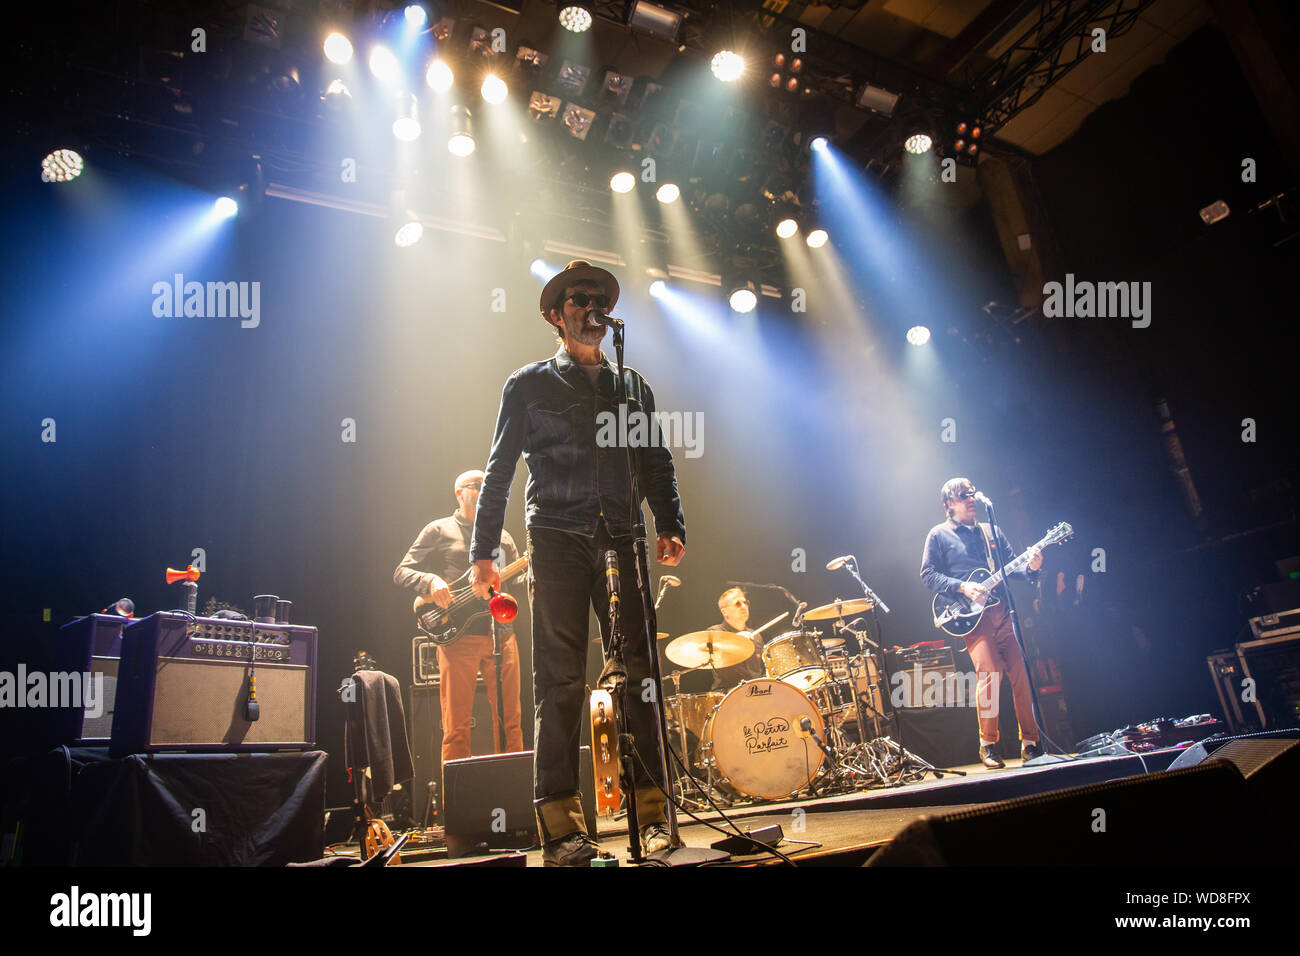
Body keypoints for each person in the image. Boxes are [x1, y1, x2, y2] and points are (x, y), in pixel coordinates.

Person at [468, 260, 686, 866]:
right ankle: (561, 828)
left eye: (598, 298)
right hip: (558, 541)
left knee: (640, 672)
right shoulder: (530, 384)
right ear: (557, 316)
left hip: (624, 537)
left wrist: (669, 522)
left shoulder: (631, 385)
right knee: (561, 682)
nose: (590, 306)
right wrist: (483, 550)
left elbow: (656, 460)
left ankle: (652, 813)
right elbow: (499, 469)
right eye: (577, 299)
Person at [394, 470, 523, 789]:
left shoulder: (503, 537)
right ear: (458, 493)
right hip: (457, 637)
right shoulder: (438, 530)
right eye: (477, 487)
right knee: (456, 726)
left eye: (488, 487)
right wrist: (430, 581)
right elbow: (402, 571)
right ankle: (459, 806)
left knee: (511, 722)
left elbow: (518, 579)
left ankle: (514, 795)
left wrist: (531, 574)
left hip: (501, 636)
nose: (484, 492)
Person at [919, 477, 1043, 768]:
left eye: (972, 494)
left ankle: (1031, 743)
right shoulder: (939, 535)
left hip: (1003, 611)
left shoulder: (992, 531)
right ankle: (988, 743)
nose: (971, 499)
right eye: (964, 495)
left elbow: (1013, 567)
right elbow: (928, 575)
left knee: (1022, 672)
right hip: (972, 617)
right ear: (949, 503)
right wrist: (962, 587)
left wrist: (1033, 568)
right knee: (990, 673)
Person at [707, 587, 765, 691]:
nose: (744, 607)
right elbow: (714, 656)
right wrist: (736, 641)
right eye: (738, 604)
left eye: (745, 603)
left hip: (757, 692)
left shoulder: (756, 636)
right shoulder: (715, 633)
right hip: (728, 694)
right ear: (725, 612)